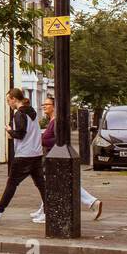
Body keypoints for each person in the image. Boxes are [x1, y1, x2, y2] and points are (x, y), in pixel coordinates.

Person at [30, 95, 103, 223]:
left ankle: (91, 202)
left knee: (54, 185)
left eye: (47, 104)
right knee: (54, 184)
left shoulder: (56, 122)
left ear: (54, 107)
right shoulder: (52, 121)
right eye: (44, 105)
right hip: (53, 157)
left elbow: (60, 140)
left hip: (56, 158)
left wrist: (43, 140)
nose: (44, 107)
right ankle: (44, 210)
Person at [0, 87, 47, 223]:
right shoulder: (32, 112)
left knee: (12, 183)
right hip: (36, 153)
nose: (8, 103)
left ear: (14, 99)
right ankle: (48, 211)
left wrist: (10, 131)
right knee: (41, 184)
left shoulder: (19, 114)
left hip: (24, 154)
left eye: (8, 100)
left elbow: (21, 134)